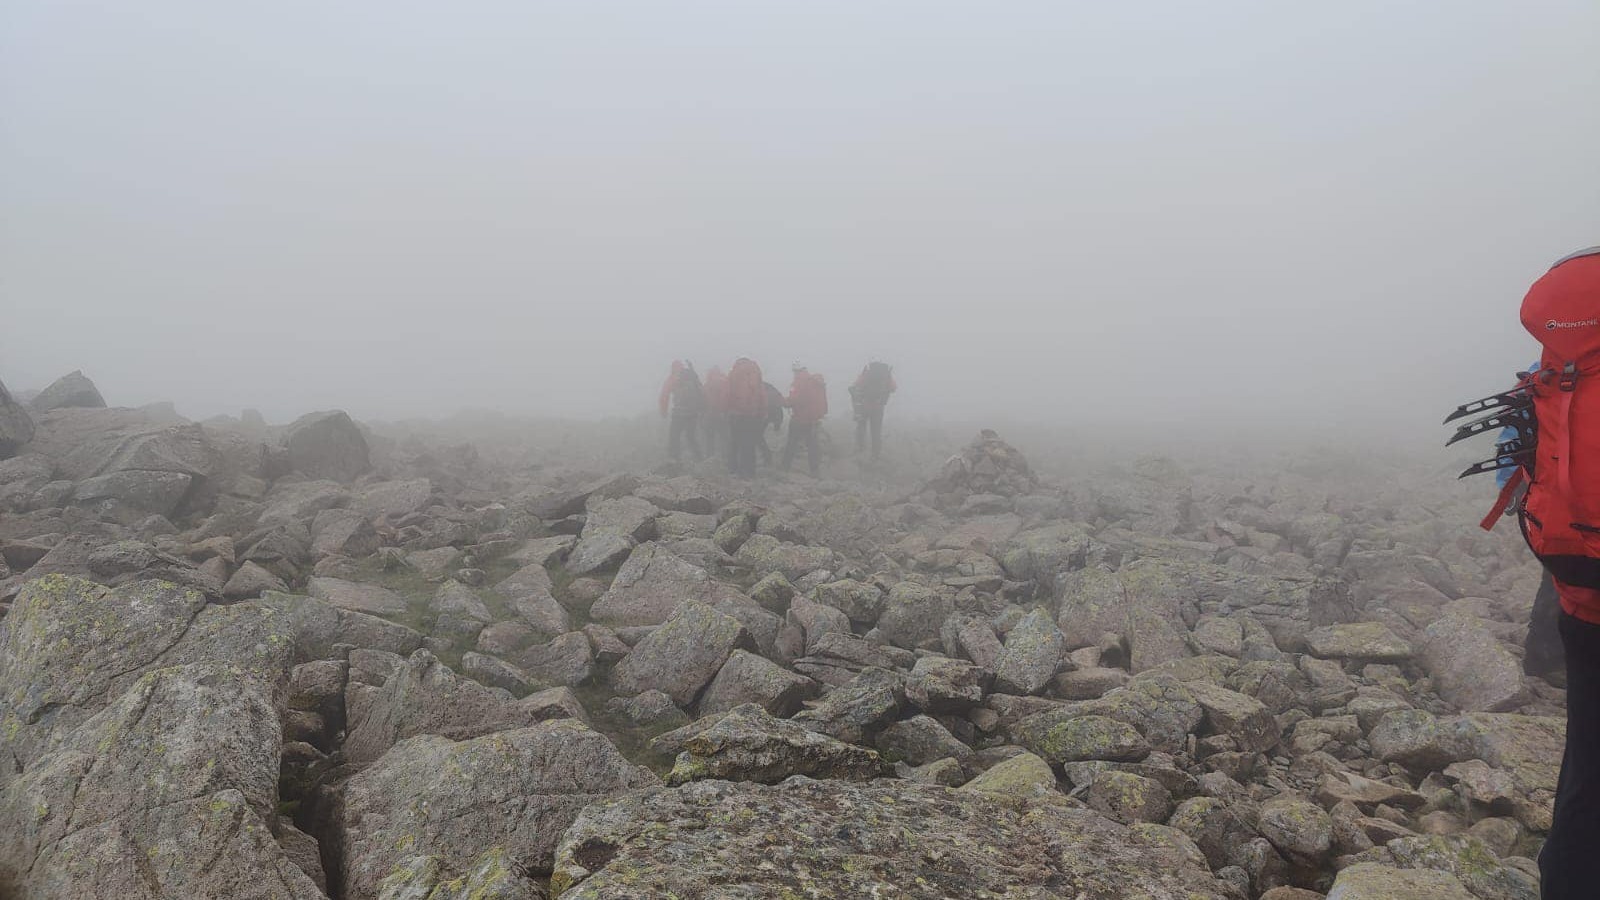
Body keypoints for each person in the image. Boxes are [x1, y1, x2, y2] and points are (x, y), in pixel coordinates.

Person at [782, 364, 828, 477]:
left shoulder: (798, 381)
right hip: (813, 419)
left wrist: (783, 402)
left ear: (795, 370)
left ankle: (784, 468)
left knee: (791, 444)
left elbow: (794, 399)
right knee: (812, 446)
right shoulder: (814, 381)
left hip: (799, 419)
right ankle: (814, 470)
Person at [725, 358, 767, 478]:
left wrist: (725, 409)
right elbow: (762, 394)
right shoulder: (756, 373)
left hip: (736, 414)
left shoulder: (734, 373)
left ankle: (733, 469)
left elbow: (727, 393)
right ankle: (749, 472)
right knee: (749, 444)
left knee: (735, 443)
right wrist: (763, 412)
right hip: (752, 415)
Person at [659, 360, 705, 461]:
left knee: (674, 437)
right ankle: (700, 459)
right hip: (693, 413)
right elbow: (701, 391)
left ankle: (674, 460)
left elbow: (664, 395)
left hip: (679, 413)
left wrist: (664, 411)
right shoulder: (692, 377)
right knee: (691, 437)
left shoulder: (673, 378)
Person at [850, 361, 896, 460]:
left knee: (861, 427)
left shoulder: (867, 373)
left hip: (865, 406)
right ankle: (875, 454)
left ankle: (860, 449)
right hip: (879, 407)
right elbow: (893, 388)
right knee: (876, 431)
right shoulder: (886, 375)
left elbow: (856, 385)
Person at [701, 365, 730, 462]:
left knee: (710, 437)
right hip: (723, 413)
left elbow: (703, 399)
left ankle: (710, 457)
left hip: (710, 413)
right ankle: (726, 457)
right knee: (724, 436)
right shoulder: (726, 382)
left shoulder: (707, 384)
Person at [757, 381, 784, 467]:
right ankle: (767, 457)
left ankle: (767, 457)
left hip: (766, 413)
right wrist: (778, 423)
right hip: (775, 413)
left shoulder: (757, 387)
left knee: (757, 435)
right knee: (758, 435)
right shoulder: (769, 387)